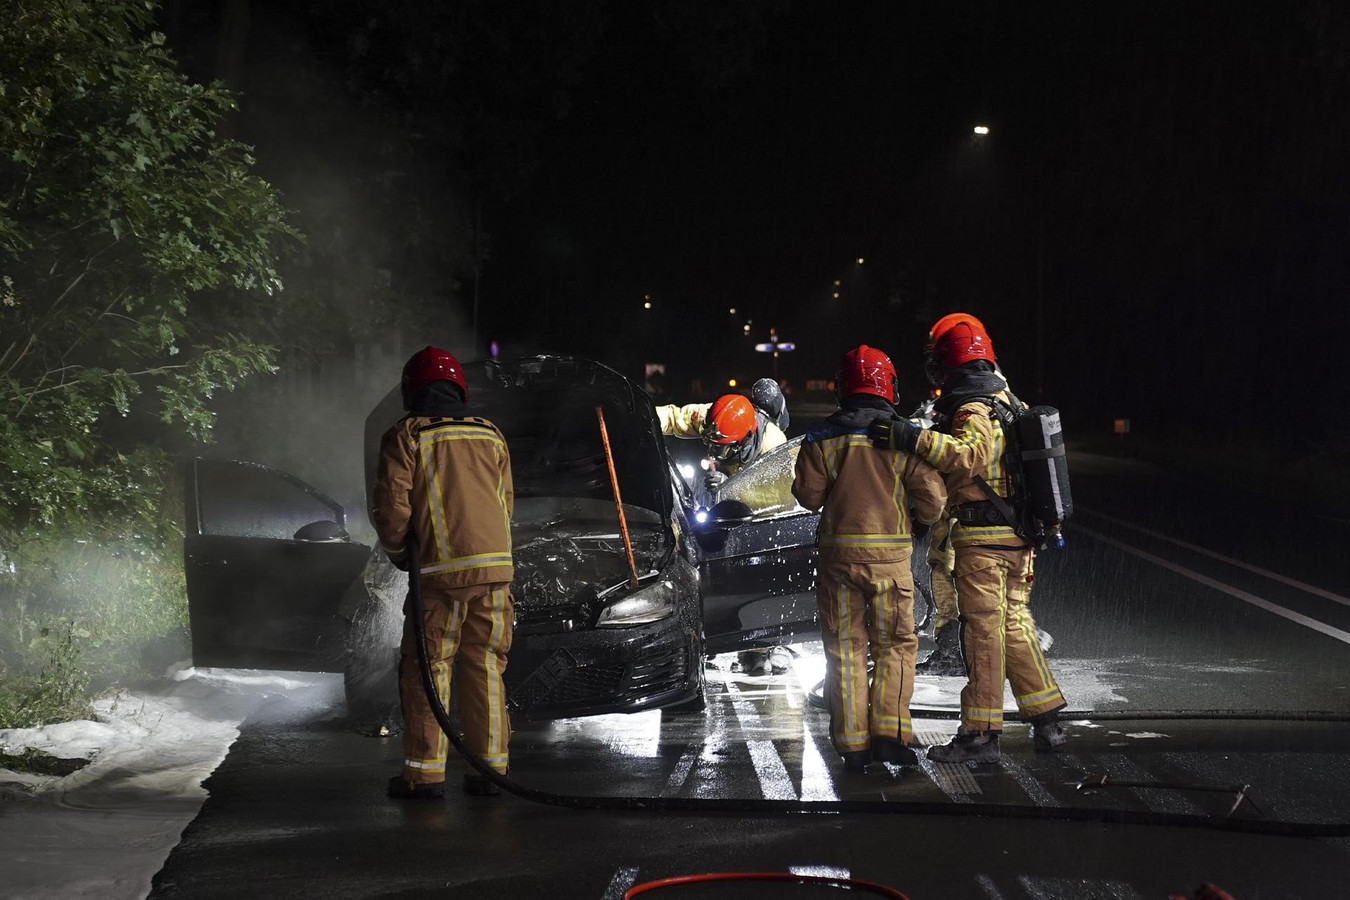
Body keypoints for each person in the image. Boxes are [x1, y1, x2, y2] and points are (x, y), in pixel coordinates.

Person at [869, 314, 1067, 764]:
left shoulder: (973, 405)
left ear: (949, 359)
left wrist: (912, 438)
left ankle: (979, 734)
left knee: (982, 636)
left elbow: (968, 457)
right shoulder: (1006, 398)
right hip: (1017, 538)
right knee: (1013, 624)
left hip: (984, 540)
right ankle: (1047, 717)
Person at [792, 345, 947, 772]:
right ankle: (890, 738)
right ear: (889, 387)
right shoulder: (902, 436)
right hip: (890, 563)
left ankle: (853, 746)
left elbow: (807, 497)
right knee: (896, 647)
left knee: (844, 651)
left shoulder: (822, 438)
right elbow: (933, 500)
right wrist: (916, 521)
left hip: (838, 563)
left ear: (842, 388)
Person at [373, 346, 515, 800]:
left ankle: (424, 776)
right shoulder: (491, 434)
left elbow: (393, 507)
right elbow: (504, 502)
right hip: (496, 574)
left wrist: (398, 551)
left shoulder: (408, 435)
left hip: (440, 578)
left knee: (428, 672)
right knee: (486, 668)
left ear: (411, 389)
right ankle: (489, 772)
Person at [656, 392, 787, 492]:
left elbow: (776, 494)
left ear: (745, 439)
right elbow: (673, 417)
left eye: (721, 446)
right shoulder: (713, 419)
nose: (713, 451)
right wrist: (644, 417)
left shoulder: (774, 446)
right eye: (712, 443)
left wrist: (731, 486)